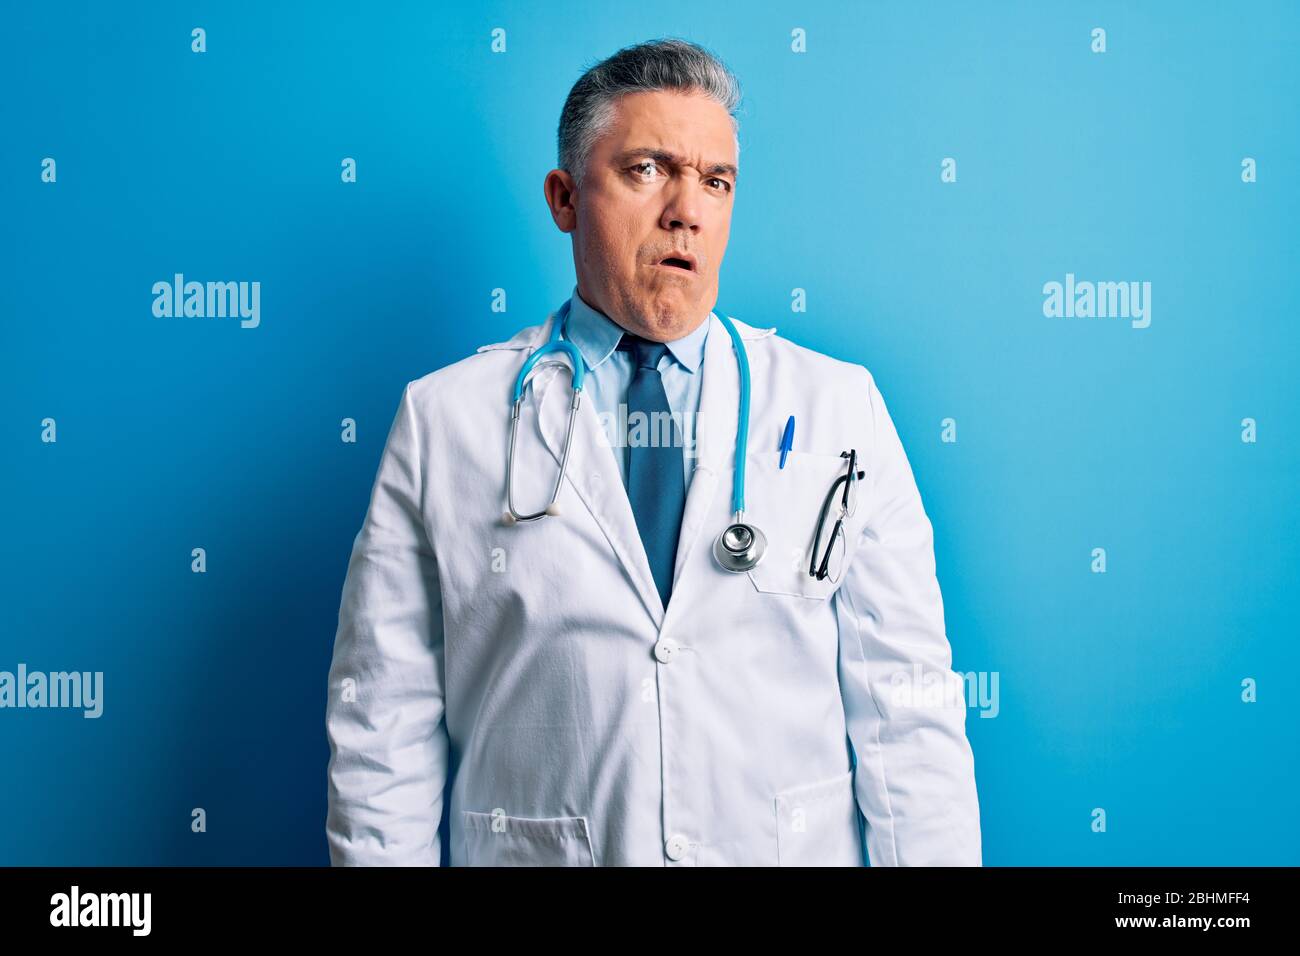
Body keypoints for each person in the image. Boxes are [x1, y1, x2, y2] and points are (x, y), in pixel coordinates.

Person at [325, 37, 981, 866]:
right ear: (564, 198)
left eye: (716, 181)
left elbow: (909, 716)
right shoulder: (444, 421)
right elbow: (383, 733)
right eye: (646, 170)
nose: (688, 211)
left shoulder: (836, 407)